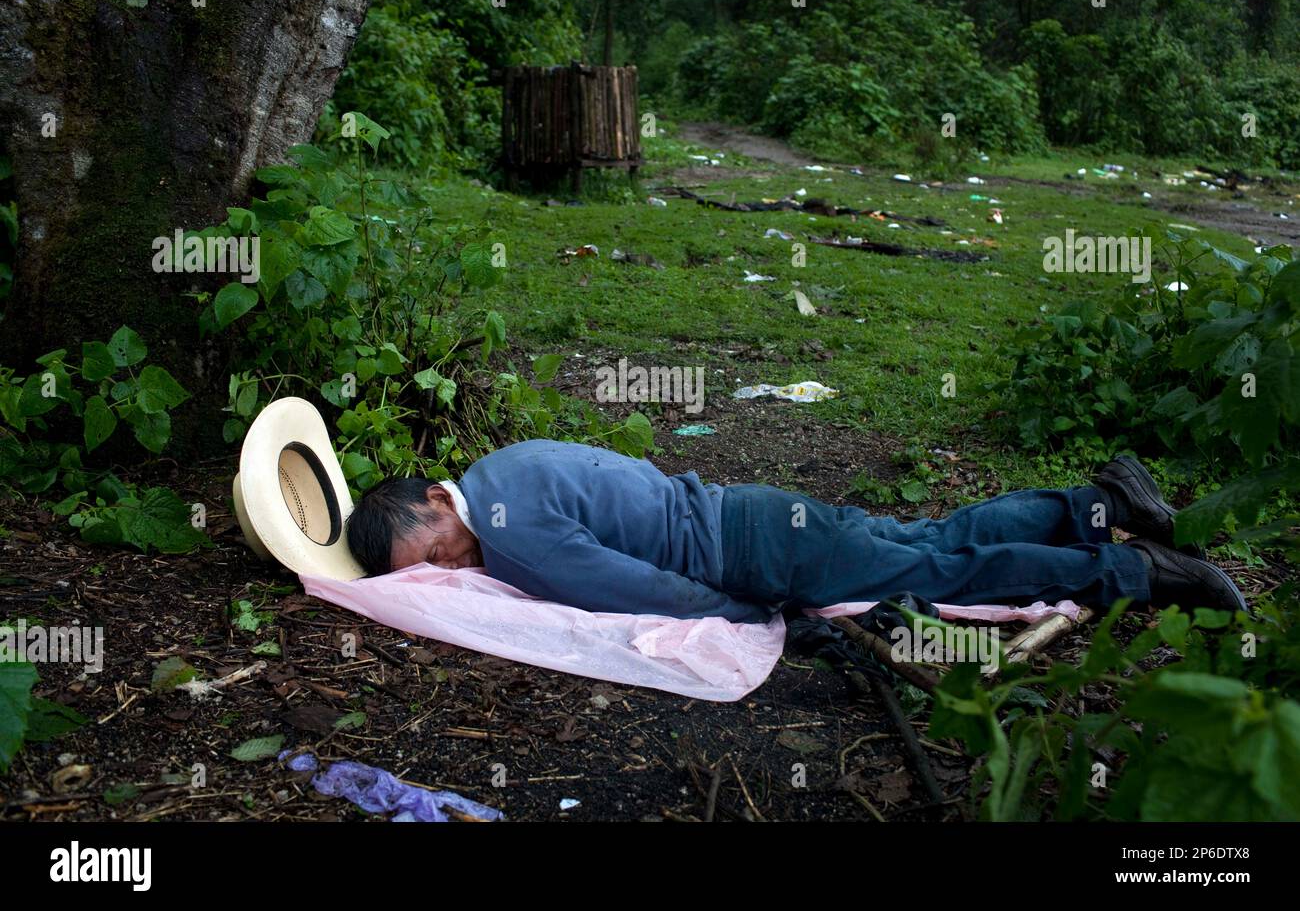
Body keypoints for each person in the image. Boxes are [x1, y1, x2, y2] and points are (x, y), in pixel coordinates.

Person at [343, 440, 1246, 623]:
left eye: (436, 553)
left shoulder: (505, 526)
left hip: (755, 550)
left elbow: (633, 589)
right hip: (755, 509)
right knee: (927, 538)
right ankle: (1103, 501)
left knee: (943, 574)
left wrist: (740, 614)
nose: (453, 568)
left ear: (436, 498)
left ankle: (1137, 574)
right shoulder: (509, 464)